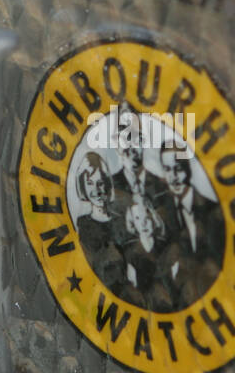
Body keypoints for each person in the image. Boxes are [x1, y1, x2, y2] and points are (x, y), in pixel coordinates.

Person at [155, 144, 225, 307]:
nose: (173, 177)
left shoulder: (211, 210)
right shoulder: (163, 214)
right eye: (167, 169)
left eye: (177, 169)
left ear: (188, 168)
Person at [72, 152, 127, 295]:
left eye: (100, 182)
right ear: (83, 186)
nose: (96, 189)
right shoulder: (84, 225)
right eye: (90, 183)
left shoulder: (121, 219)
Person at [108, 103, 164, 226]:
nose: (132, 146)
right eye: (124, 137)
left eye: (136, 138)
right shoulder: (109, 187)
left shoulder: (162, 183)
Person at [120, 197, 177, 312]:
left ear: (153, 218)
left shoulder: (165, 246)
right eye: (137, 218)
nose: (143, 223)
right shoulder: (129, 253)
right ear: (132, 222)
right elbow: (134, 288)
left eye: (147, 217)